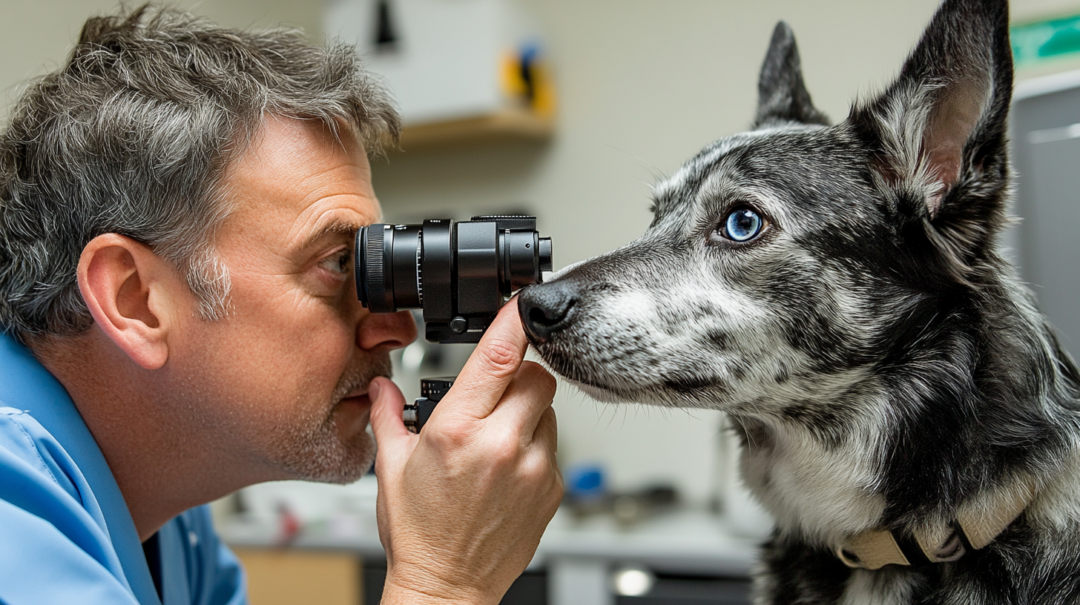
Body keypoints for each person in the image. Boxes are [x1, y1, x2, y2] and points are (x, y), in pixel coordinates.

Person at [0, 6, 562, 605]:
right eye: (339, 264)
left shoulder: (171, 518)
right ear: (134, 300)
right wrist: (442, 584)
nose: (395, 330)